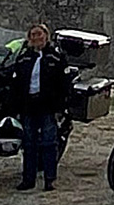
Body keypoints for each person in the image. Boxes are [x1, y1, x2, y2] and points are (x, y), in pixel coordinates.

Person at [11, 23, 71, 190]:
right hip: (29, 105)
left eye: (39, 35)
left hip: (48, 106)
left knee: (49, 143)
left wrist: (61, 106)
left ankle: (49, 179)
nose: (36, 38)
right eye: (33, 35)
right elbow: (16, 83)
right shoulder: (23, 58)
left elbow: (64, 83)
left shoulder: (56, 57)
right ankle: (28, 180)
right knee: (29, 144)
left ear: (46, 36)